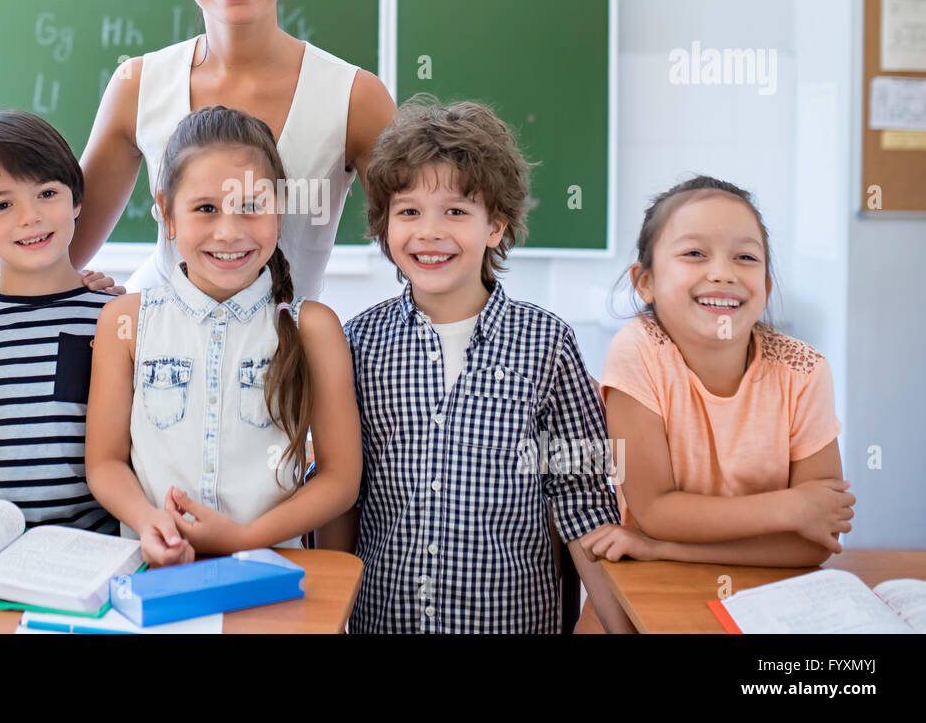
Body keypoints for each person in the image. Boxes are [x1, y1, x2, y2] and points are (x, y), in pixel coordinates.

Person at [325, 97, 636, 633]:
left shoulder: (547, 345)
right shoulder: (357, 344)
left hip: (513, 623)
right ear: (384, 226)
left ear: (496, 226)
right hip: (384, 621)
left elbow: (583, 501)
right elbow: (340, 495)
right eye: (409, 212)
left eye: (456, 211)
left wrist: (619, 624)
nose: (429, 232)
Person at [70, 0, 396, 299]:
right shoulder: (137, 84)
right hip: (156, 354)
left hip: (286, 358)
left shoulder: (356, 97)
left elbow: (423, 234)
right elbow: (59, 248)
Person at [85, 106, 361, 566]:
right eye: (206, 209)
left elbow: (340, 478)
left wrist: (244, 538)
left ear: (280, 208)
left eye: (251, 207)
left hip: (270, 576)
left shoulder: (313, 328)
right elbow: (105, 461)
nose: (229, 232)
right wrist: (146, 518)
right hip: (154, 573)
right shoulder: (125, 322)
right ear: (168, 213)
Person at [580, 176, 852, 567]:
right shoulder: (639, 349)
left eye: (745, 257)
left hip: (762, 592)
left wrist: (664, 548)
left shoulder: (804, 370)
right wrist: (791, 508)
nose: (723, 273)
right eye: (694, 253)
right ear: (645, 281)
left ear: (766, 287)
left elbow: (815, 544)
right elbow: (655, 512)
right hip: (654, 587)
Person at [0, 111, 118, 532]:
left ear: (77, 202)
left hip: (87, 547)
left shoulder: (113, 319)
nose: (29, 217)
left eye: (47, 193)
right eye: (2, 204)